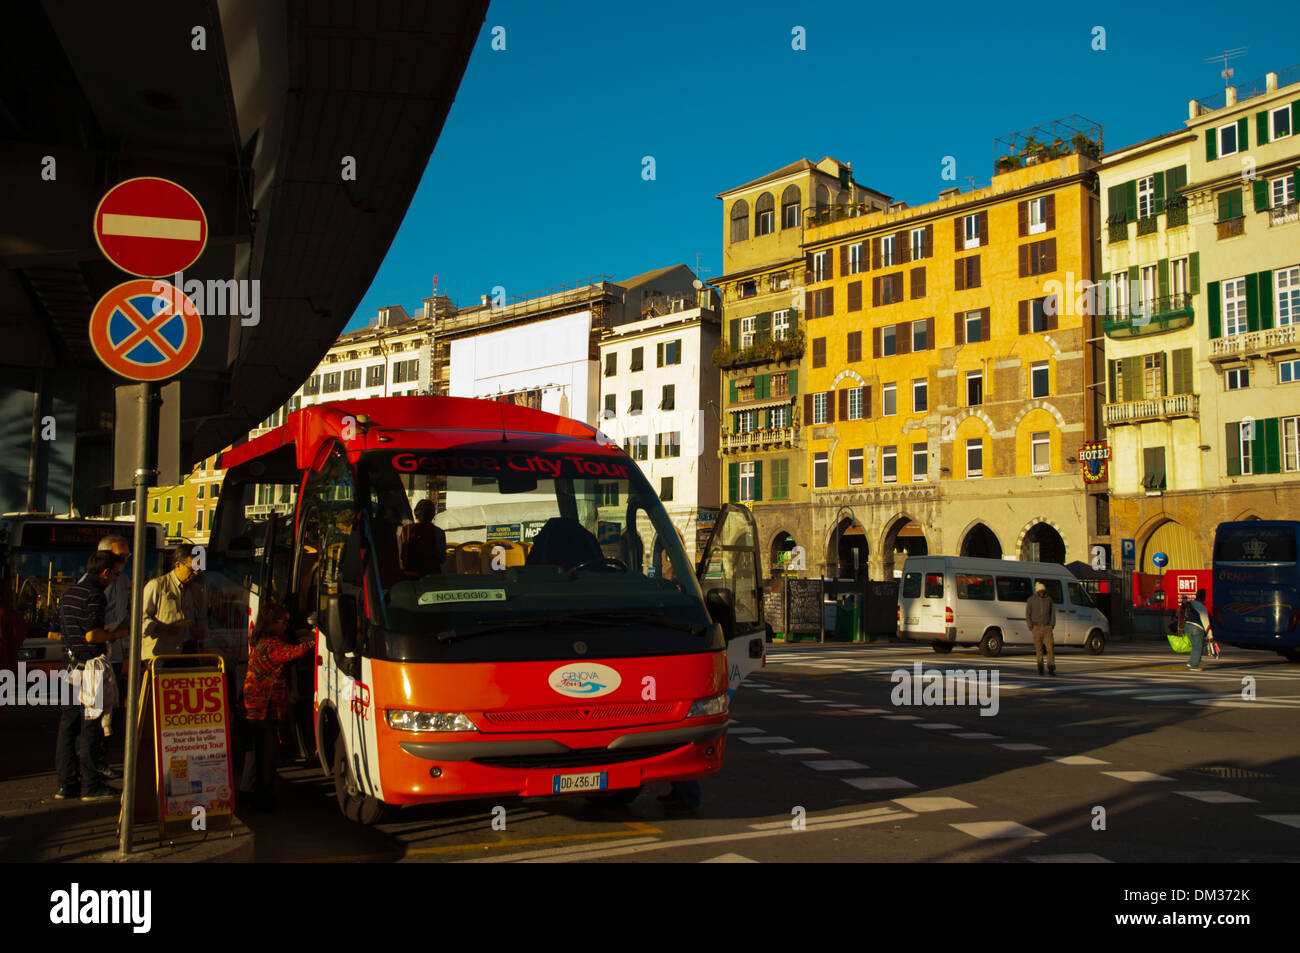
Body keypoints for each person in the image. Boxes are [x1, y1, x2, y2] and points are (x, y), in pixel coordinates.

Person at [53, 551, 127, 801]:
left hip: (69, 667)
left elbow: (57, 631)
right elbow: (92, 636)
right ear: (105, 572)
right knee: (90, 729)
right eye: (115, 574)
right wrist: (116, 635)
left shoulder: (69, 593)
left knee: (67, 728)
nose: (115, 579)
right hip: (89, 670)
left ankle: (65, 784)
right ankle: (91, 786)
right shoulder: (95, 595)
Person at [243, 602, 314, 810]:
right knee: (267, 755)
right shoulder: (271, 646)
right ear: (272, 624)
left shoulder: (262, 642)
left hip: (257, 708)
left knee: (260, 755)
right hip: (262, 708)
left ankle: (259, 796)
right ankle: (264, 799)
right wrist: (314, 641)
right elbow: (294, 652)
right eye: (283, 621)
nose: (285, 626)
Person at [141, 545, 209, 663]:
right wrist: (160, 628)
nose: (195, 573)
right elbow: (140, 618)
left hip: (189, 652)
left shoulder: (197, 590)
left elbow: (202, 616)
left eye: (199, 569)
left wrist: (201, 629)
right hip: (161, 655)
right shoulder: (157, 586)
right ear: (178, 565)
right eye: (192, 569)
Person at [398, 499, 447, 576]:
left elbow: (401, 557)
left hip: (411, 578)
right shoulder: (439, 532)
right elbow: (442, 559)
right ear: (433, 515)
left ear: (415, 513)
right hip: (433, 578)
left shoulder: (406, 530)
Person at [1025, 581, 1056, 677]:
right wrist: (1031, 626)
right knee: (1039, 649)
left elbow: (1052, 613)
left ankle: (1051, 668)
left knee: (1050, 648)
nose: (1042, 593)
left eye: (1043, 591)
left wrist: (1051, 625)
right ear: (1037, 591)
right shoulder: (1031, 600)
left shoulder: (1049, 600)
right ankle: (1040, 668)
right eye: (1040, 591)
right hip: (1036, 627)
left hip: (1047, 627)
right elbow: (1028, 614)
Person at [1181, 588, 1214, 671]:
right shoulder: (1202, 607)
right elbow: (1205, 622)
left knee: (1195, 646)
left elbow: (1183, 608)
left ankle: (1191, 662)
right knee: (1198, 647)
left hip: (1187, 626)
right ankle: (1194, 666)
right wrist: (1210, 635)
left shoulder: (1191, 603)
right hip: (1197, 628)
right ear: (1204, 597)